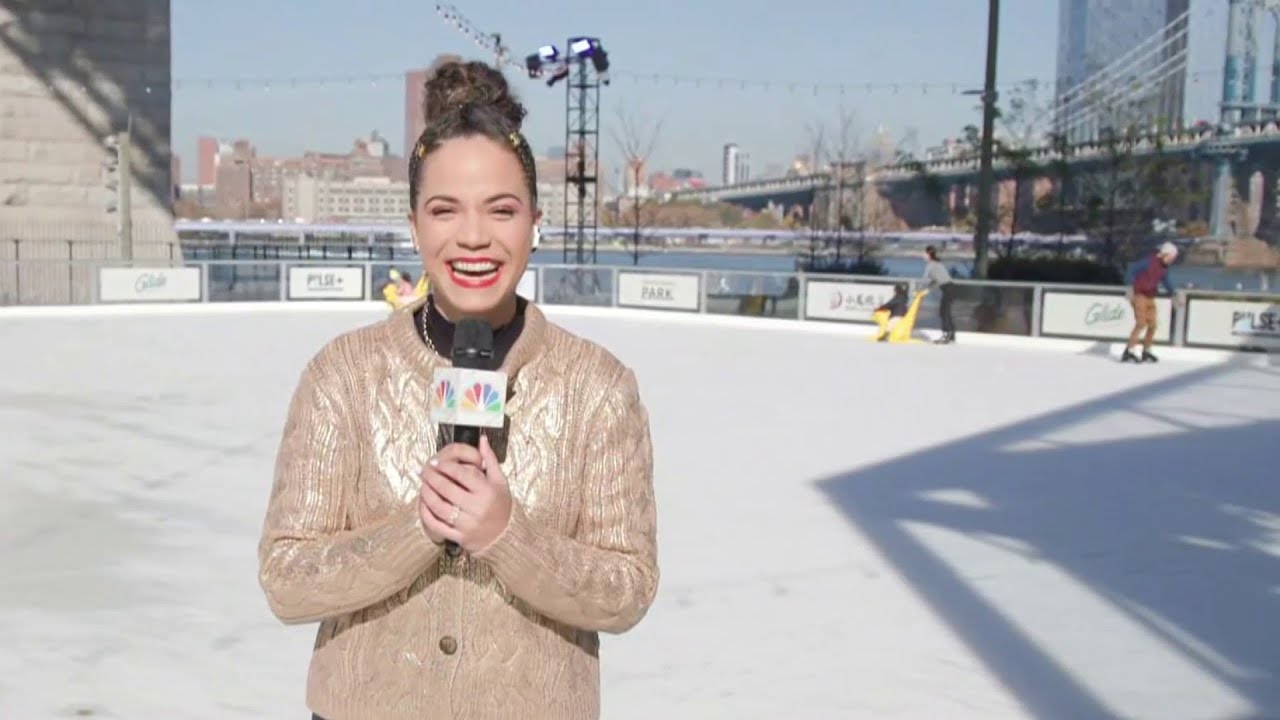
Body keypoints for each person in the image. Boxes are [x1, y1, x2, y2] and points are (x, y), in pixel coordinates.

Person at [257, 59, 659, 720]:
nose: (474, 237)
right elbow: (286, 581)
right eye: (446, 210)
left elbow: (629, 587)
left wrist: (509, 535)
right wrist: (418, 527)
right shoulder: (343, 374)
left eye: (501, 210)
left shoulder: (599, 388)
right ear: (415, 225)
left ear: (534, 221)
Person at [1122, 241, 1178, 363]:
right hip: (1139, 295)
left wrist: (1173, 293)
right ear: (1164, 254)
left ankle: (1146, 351)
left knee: (1153, 325)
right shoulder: (1148, 262)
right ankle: (1129, 351)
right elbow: (1132, 271)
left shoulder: (1164, 267)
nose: (1171, 261)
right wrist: (1130, 287)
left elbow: (1165, 280)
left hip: (1150, 296)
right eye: (1171, 258)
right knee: (1141, 323)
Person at [921, 245, 956, 344]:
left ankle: (946, 335)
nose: (923, 255)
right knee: (946, 312)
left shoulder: (931, 265)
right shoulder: (938, 263)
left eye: (924, 253)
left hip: (948, 289)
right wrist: (927, 289)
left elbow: (925, 280)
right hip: (950, 288)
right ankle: (951, 335)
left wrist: (920, 290)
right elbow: (936, 280)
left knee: (943, 312)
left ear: (929, 254)